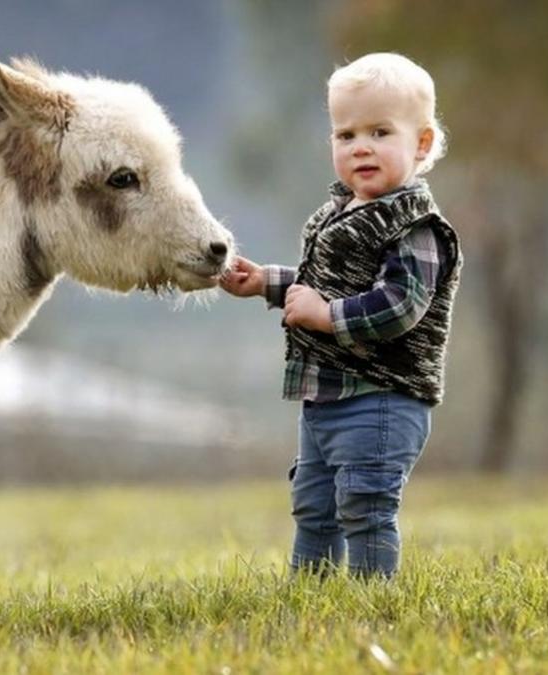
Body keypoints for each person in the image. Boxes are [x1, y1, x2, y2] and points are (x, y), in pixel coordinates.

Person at [220, 53, 462, 578]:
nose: (361, 147)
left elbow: (401, 307)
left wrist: (327, 315)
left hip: (381, 398)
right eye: (345, 134)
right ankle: (312, 592)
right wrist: (266, 282)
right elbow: (323, 286)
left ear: (421, 144)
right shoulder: (339, 212)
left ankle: (372, 600)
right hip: (325, 395)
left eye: (380, 131)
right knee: (314, 505)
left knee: (366, 508)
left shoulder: (414, 225)